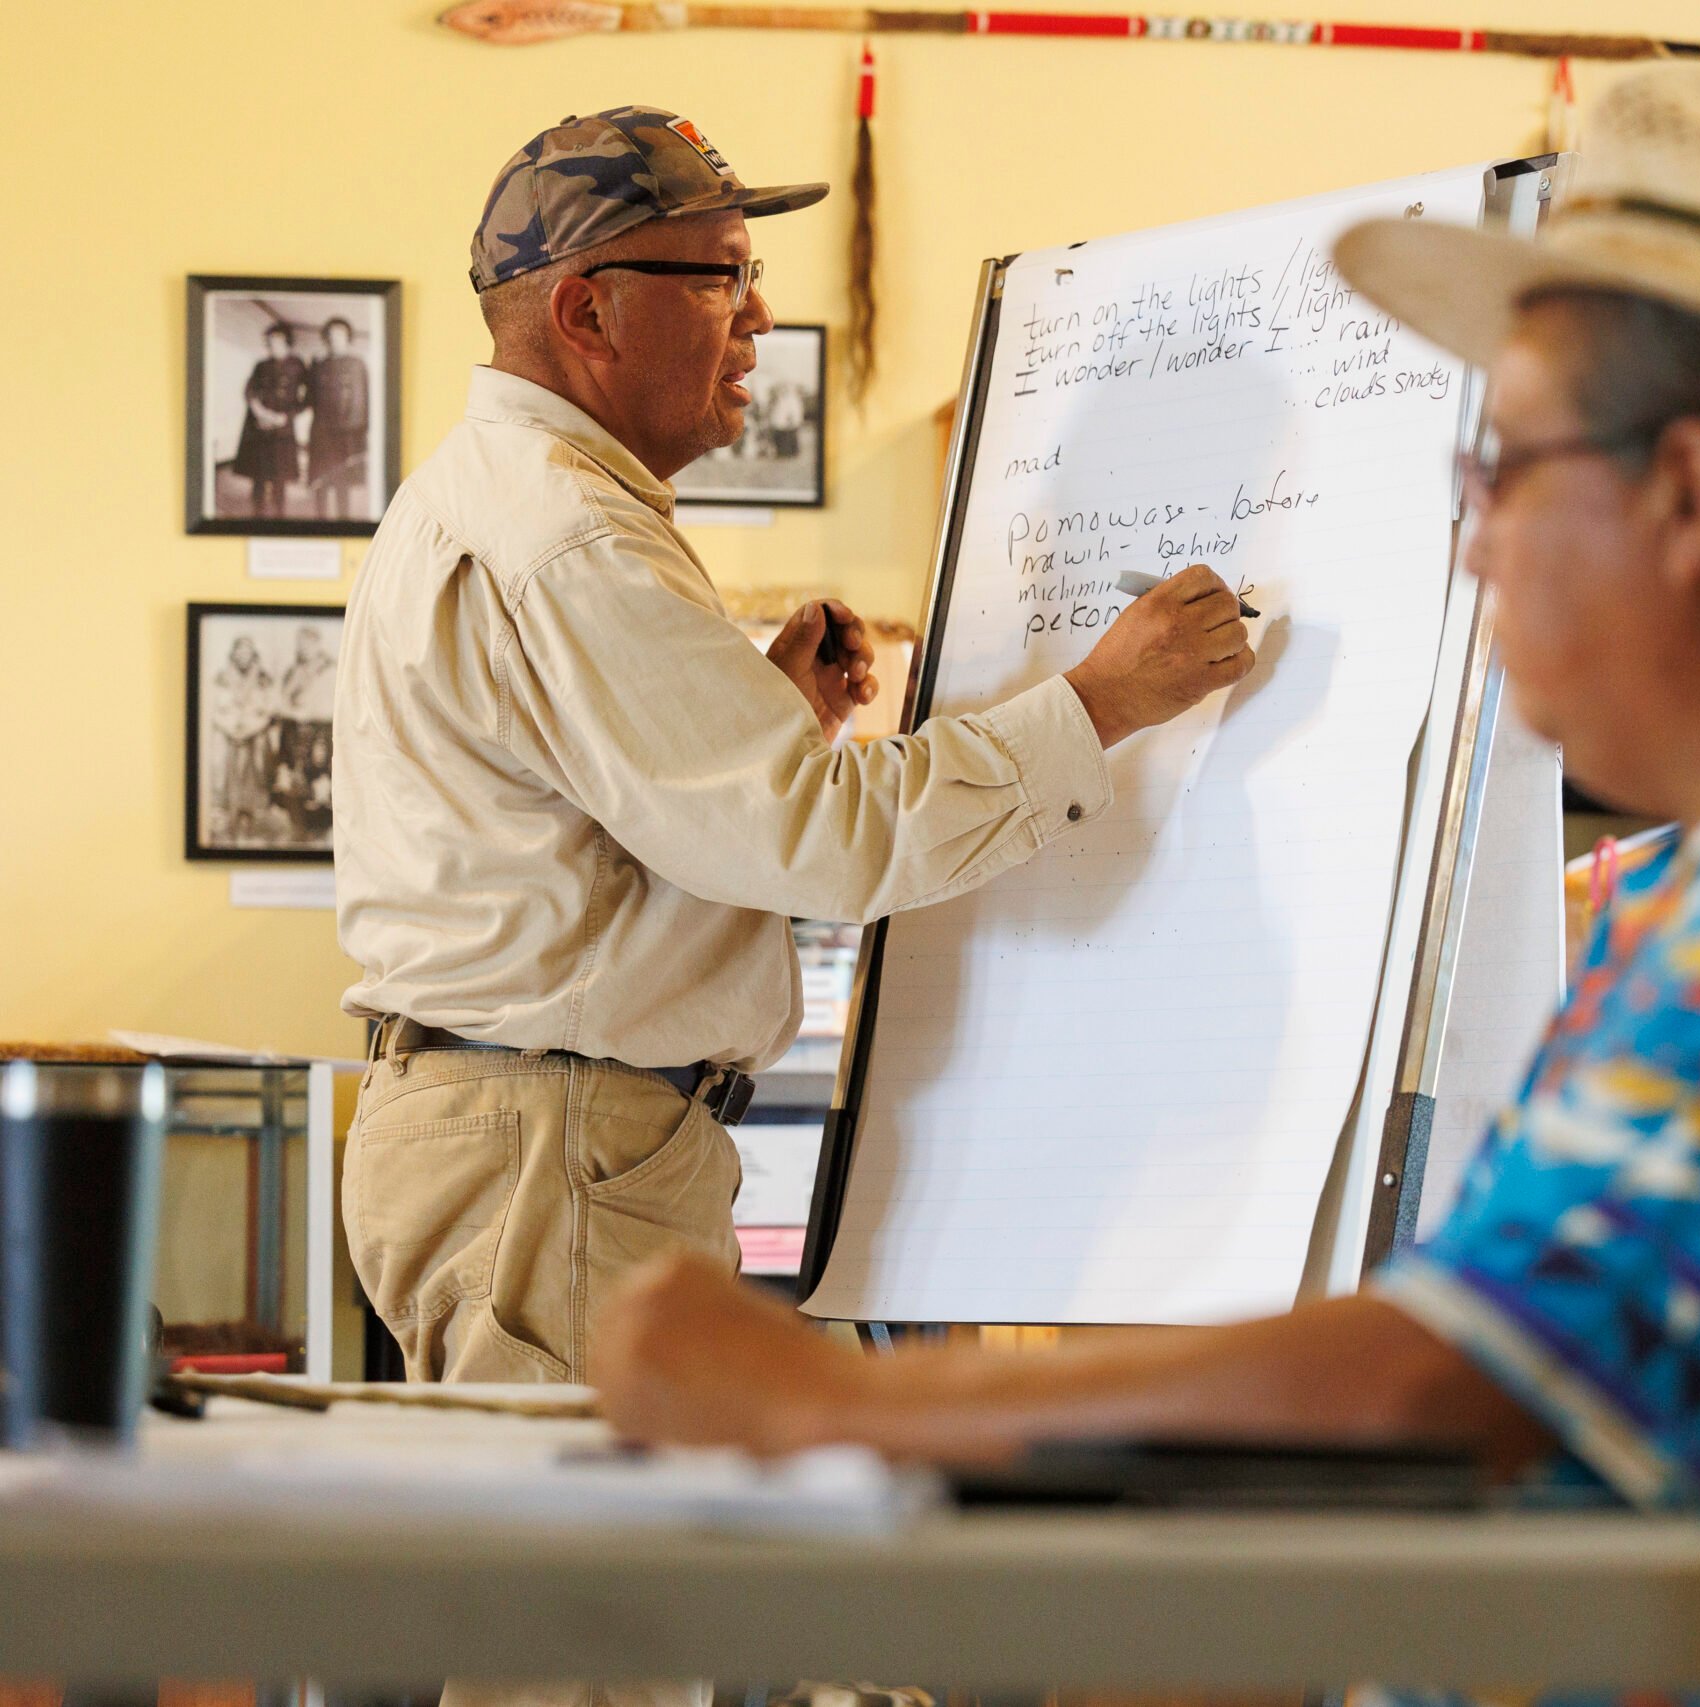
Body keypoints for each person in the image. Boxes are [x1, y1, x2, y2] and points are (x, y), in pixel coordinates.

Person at [592, 67, 1700, 1707]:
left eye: (1508, 465)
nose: (1472, 536)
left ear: (1692, 494)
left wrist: (817, 1401)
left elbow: (1459, 1383)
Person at [334, 105, 1251, 1399]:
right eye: (722, 276)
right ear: (588, 312)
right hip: (557, 1149)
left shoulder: (507, 495)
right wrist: (1097, 701)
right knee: (605, 1584)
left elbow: (617, 825)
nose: (760, 315)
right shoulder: (574, 535)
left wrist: (764, 718)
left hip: (546, 1141)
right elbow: (818, 840)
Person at [205, 634, 278, 842]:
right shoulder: (221, 678)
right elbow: (215, 708)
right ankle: (232, 818)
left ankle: (253, 820)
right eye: (239, 651)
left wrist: (250, 728)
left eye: (247, 651)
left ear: (253, 653)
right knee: (229, 775)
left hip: (255, 737)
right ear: (233, 653)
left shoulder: (264, 679)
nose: (243, 655)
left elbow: (268, 708)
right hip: (229, 738)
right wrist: (232, 728)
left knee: (255, 775)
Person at [232, 323, 306, 519]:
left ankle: (279, 518)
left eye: (277, 340)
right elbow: (249, 391)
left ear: (287, 342)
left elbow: (306, 400)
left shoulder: (297, 365)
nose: (272, 344)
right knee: (258, 476)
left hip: (281, 430)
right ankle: (257, 515)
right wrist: (259, 411)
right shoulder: (261, 366)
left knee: (279, 477)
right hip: (259, 427)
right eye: (270, 341)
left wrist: (284, 417)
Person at [273, 625, 336, 841]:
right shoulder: (293, 672)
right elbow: (281, 700)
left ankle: (321, 836)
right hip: (293, 735)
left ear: (317, 644)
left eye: (308, 643)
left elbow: (331, 706)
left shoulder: (331, 670)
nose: (303, 648)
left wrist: (303, 712)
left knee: (320, 784)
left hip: (321, 734)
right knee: (293, 785)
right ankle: (300, 832)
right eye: (300, 644)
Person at [306, 316, 370, 521]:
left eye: (340, 335)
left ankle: (344, 523)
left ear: (348, 338)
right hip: (321, 433)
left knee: (343, 482)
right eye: (331, 335)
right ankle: (320, 522)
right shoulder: (318, 365)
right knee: (320, 481)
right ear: (326, 339)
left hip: (346, 434)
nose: (335, 339)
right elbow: (309, 398)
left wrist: (361, 438)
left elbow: (365, 401)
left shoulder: (357, 364)